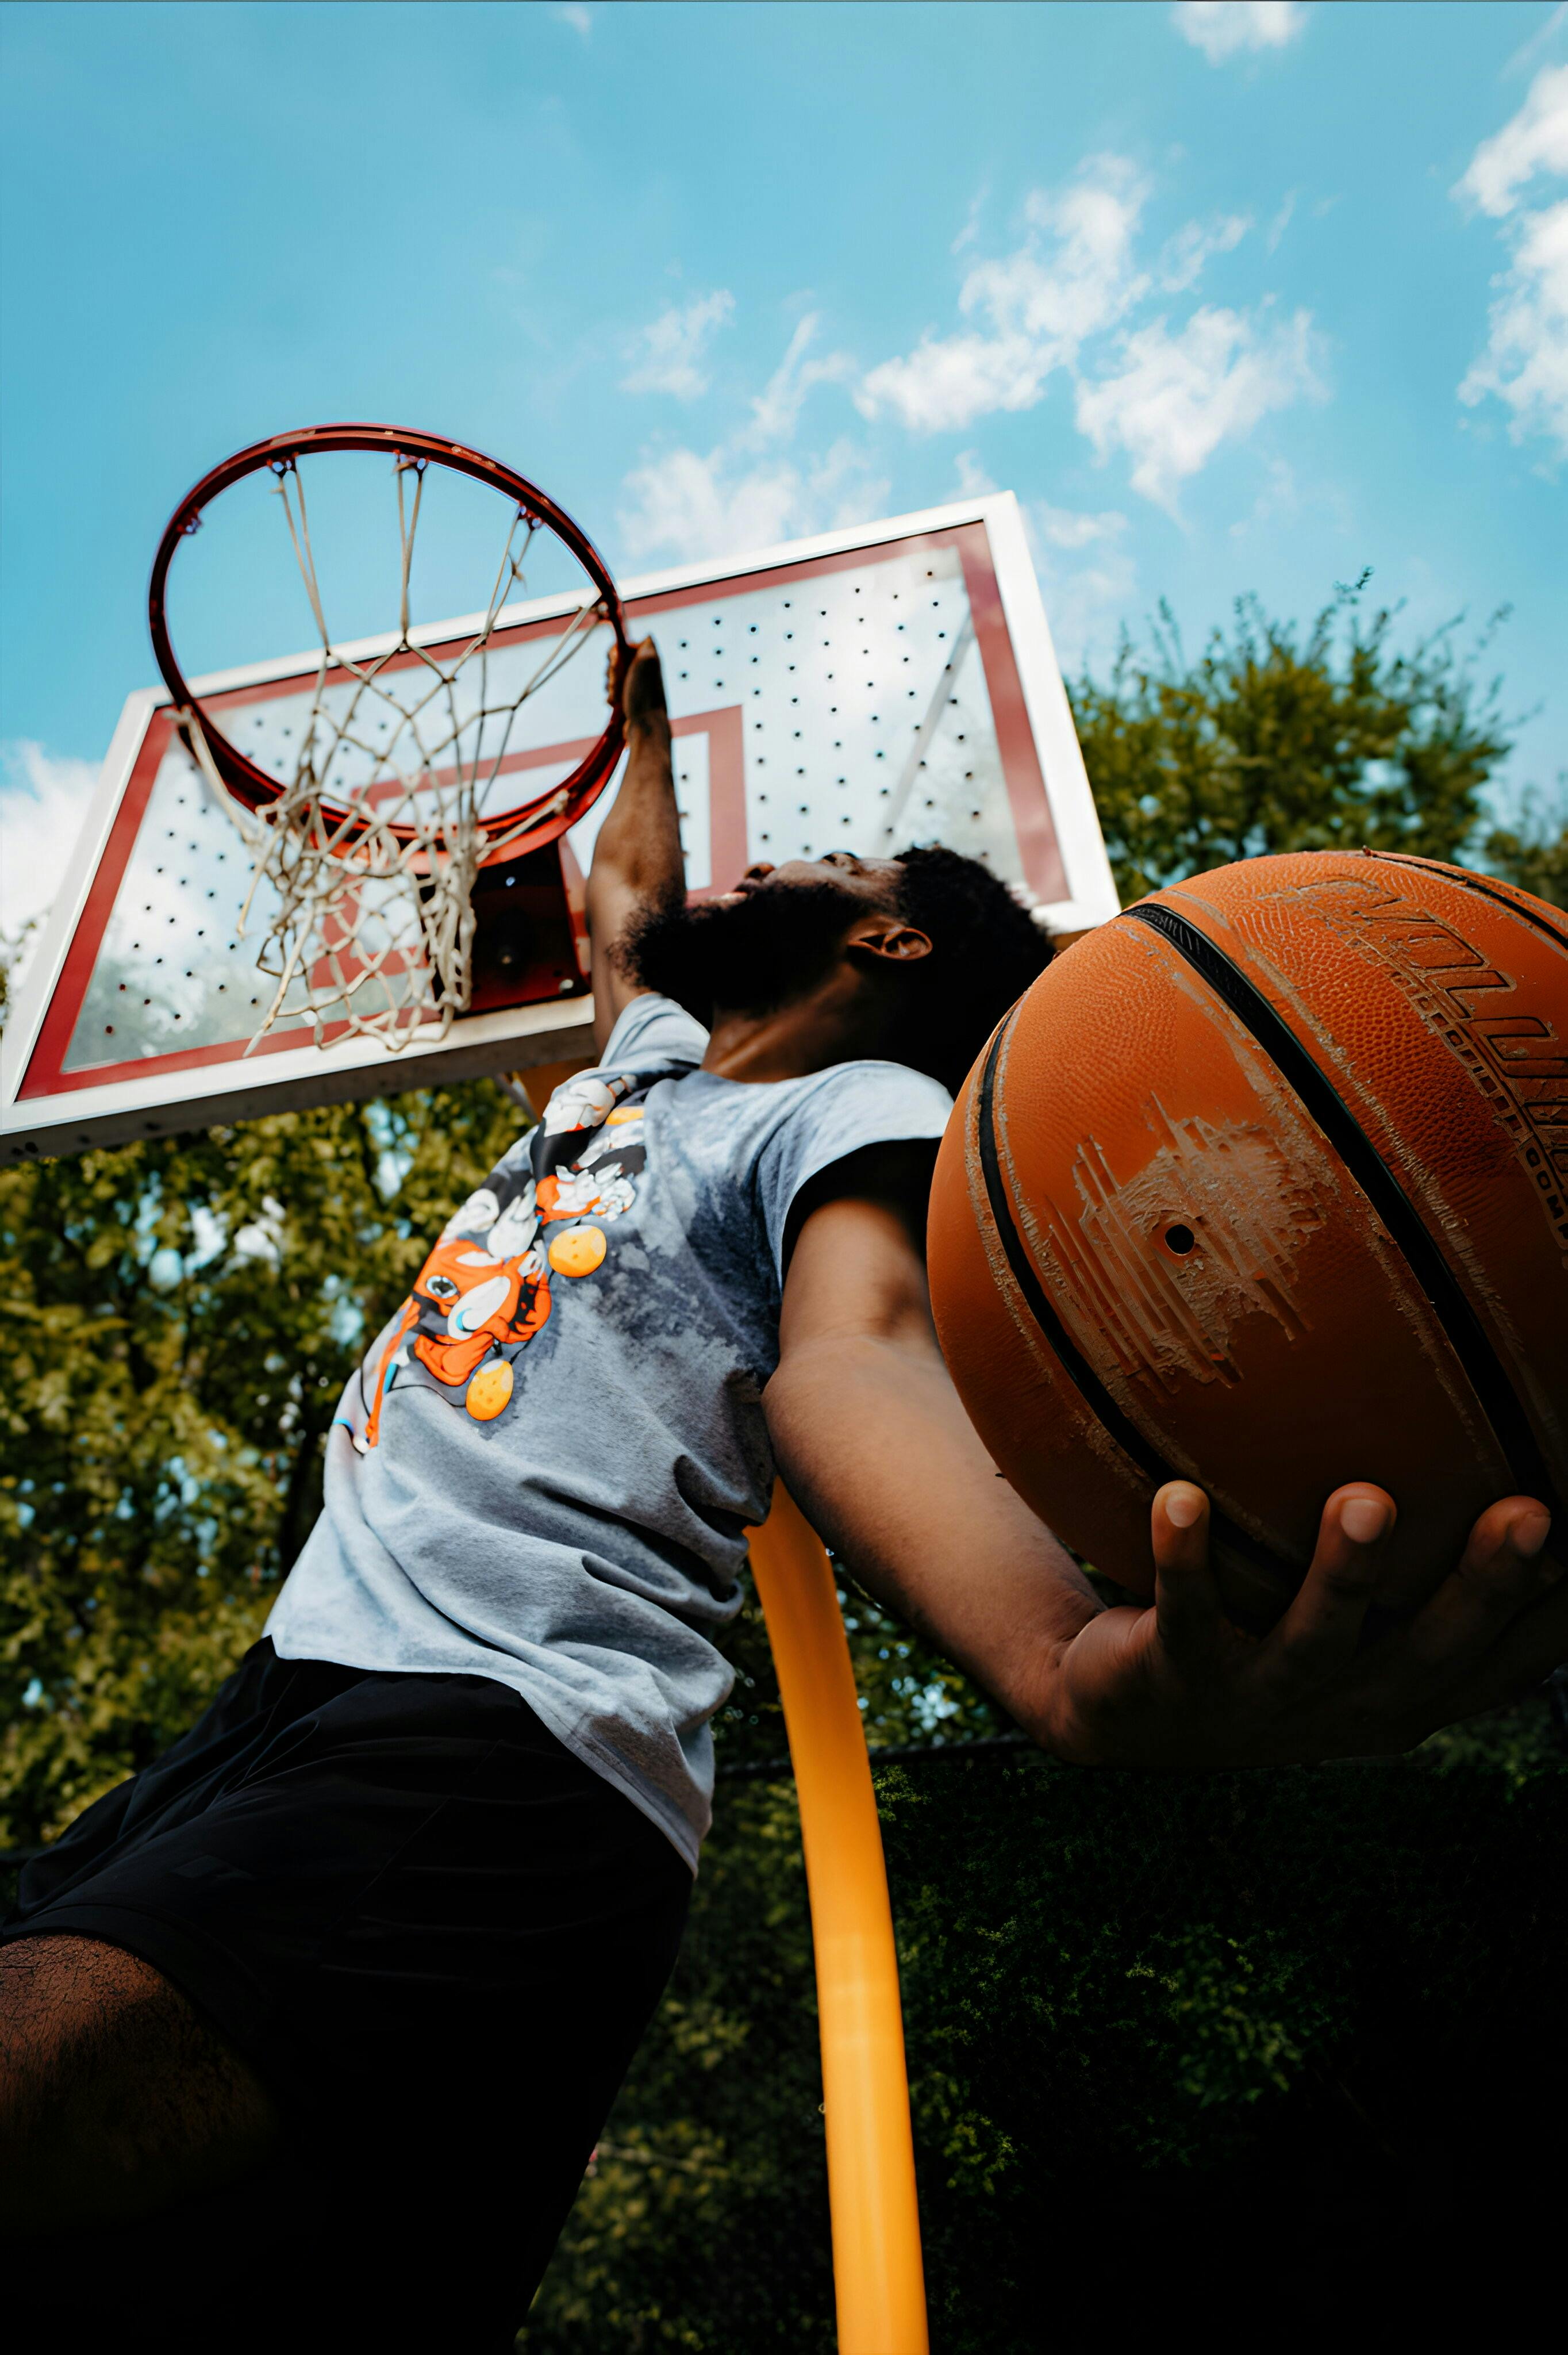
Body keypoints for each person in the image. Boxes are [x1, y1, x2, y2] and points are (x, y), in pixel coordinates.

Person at [1, 639, 1559, 2348]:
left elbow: (853, 1353)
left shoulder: (856, 1113)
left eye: (818, 862)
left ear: (886, 937)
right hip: (290, 1713)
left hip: (504, 1746)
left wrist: (1051, 1656)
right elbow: (625, 913)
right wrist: (645, 727)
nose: (752, 867)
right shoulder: (650, 1064)